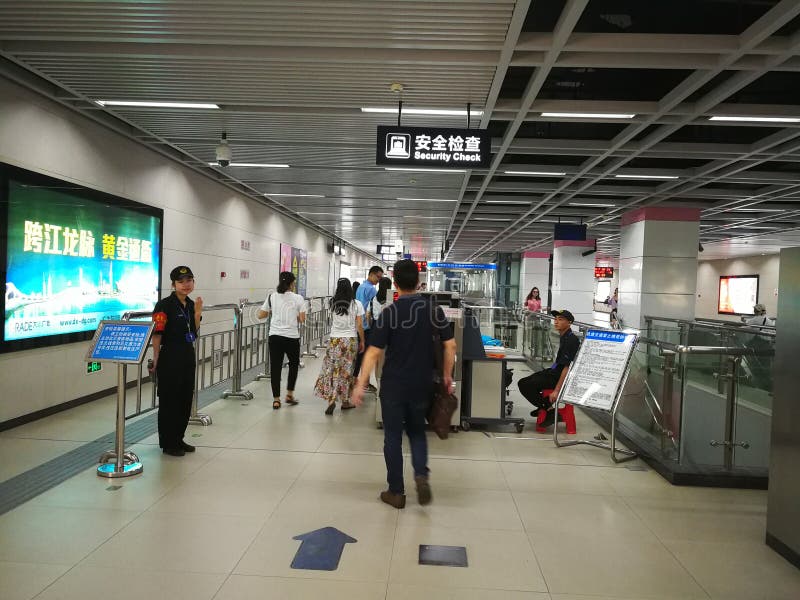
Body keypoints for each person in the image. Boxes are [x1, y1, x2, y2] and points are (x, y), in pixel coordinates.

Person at [351, 260, 456, 509]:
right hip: (422, 384)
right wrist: (447, 375)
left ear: (395, 284)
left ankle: (396, 491)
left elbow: (374, 352)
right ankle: (421, 475)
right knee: (417, 432)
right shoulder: (434, 310)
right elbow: (450, 345)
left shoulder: (390, 312)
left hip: (394, 385)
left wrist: (360, 384)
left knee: (392, 437)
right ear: (419, 283)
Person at [150, 266, 203, 457]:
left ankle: (179, 438)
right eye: (181, 282)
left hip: (187, 355)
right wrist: (156, 358)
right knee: (169, 401)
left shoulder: (190, 304)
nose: (186, 285)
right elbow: (157, 334)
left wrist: (197, 314)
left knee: (184, 399)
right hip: (169, 357)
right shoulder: (163, 306)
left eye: (189, 280)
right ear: (173, 284)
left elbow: (193, 333)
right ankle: (168, 443)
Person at [517, 309, 580, 429]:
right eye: (555, 319)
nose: (556, 322)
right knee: (527, 380)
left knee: (524, 385)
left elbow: (567, 368)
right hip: (554, 372)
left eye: (560, 319)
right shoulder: (564, 336)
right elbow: (559, 363)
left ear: (569, 323)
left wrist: (556, 390)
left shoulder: (571, 340)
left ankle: (548, 409)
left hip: (560, 377)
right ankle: (543, 406)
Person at [314, 278, 365, 414]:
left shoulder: (332, 303)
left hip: (334, 340)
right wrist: (363, 341)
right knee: (347, 371)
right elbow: (359, 325)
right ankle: (345, 401)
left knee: (332, 369)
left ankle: (331, 400)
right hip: (350, 341)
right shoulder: (357, 304)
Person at [258, 271, 307, 409]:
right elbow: (303, 319)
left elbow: (261, 315)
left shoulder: (271, 297)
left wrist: (273, 312)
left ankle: (276, 399)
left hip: (275, 337)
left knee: (275, 367)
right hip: (291, 337)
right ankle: (289, 394)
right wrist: (294, 316)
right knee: (293, 364)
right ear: (292, 283)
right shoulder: (298, 298)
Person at [352, 265, 384, 390]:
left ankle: (357, 379)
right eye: (378, 277)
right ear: (371, 274)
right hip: (366, 325)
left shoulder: (360, 287)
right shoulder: (371, 289)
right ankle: (363, 381)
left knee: (360, 354)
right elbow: (374, 309)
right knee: (365, 354)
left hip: (359, 324)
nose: (378, 280)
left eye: (380, 278)